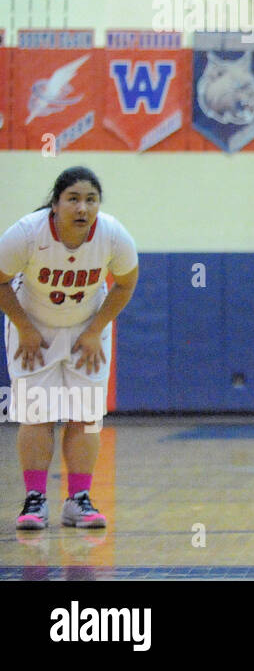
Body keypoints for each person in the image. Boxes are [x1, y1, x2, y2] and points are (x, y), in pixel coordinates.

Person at [0, 167, 138, 531]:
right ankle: (35, 500)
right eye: (73, 199)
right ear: (56, 204)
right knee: (36, 414)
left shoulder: (111, 234)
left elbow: (125, 284)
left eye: (91, 199)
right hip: (32, 325)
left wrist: (95, 331)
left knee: (86, 414)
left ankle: (79, 500)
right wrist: (24, 327)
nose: (83, 207)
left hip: (87, 327)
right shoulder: (27, 233)